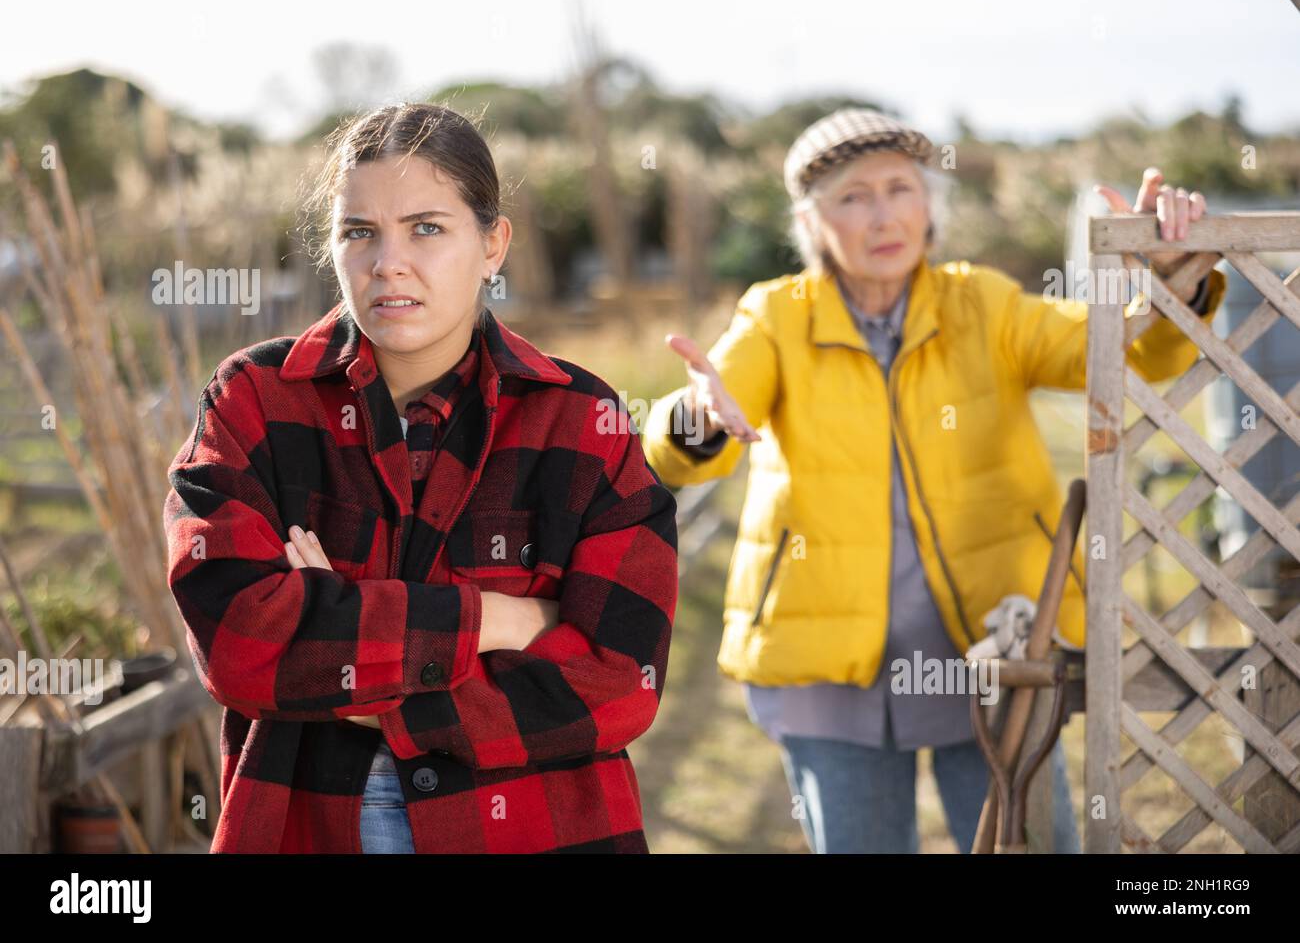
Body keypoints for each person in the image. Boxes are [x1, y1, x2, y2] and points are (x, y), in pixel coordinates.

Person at [642, 107, 1225, 853]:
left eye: (900, 188)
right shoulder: (776, 316)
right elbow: (706, 415)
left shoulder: (983, 303)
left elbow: (1127, 352)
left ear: (929, 205)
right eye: (853, 196)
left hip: (991, 652)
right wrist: (697, 416)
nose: (882, 215)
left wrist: (1173, 287)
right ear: (813, 222)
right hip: (827, 673)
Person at [163, 102, 678, 853]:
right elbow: (242, 643)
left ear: (493, 243)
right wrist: (500, 621)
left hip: (535, 830)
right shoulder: (253, 401)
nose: (387, 263)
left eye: (427, 228)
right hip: (307, 819)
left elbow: (619, 682)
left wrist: (346, 648)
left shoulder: (581, 420)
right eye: (359, 232)